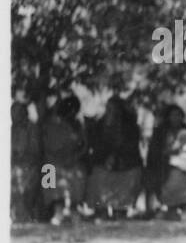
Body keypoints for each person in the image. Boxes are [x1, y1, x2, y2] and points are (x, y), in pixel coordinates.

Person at [85, 93, 144, 219]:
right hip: (103, 164)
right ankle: (101, 211)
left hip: (127, 165)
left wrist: (116, 156)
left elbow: (131, 148)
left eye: (114, 109)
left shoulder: (131, 128)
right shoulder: (100, 125)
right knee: (97, 175)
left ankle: (121, 211)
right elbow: (95, 146)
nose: (111, 112)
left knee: (130, 175)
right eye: (108, 108)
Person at [39, 94, 88, 225]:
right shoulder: (52, 124)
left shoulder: (78, 125)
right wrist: (59, 159)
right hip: (52, 161)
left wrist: (74, 157)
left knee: (78, 173)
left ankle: (73, 209)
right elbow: (47, 146)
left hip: (73, 161)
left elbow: (84, 146)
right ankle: (57, 211)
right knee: (48, 172)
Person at [10, 101, 41, 222]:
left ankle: (26, 214)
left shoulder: (31, 128)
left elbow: (35, 151)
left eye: (18, 112)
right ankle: (19, 214)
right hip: (17, 165)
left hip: (33, 165)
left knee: (46, 177)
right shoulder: (11, 127)